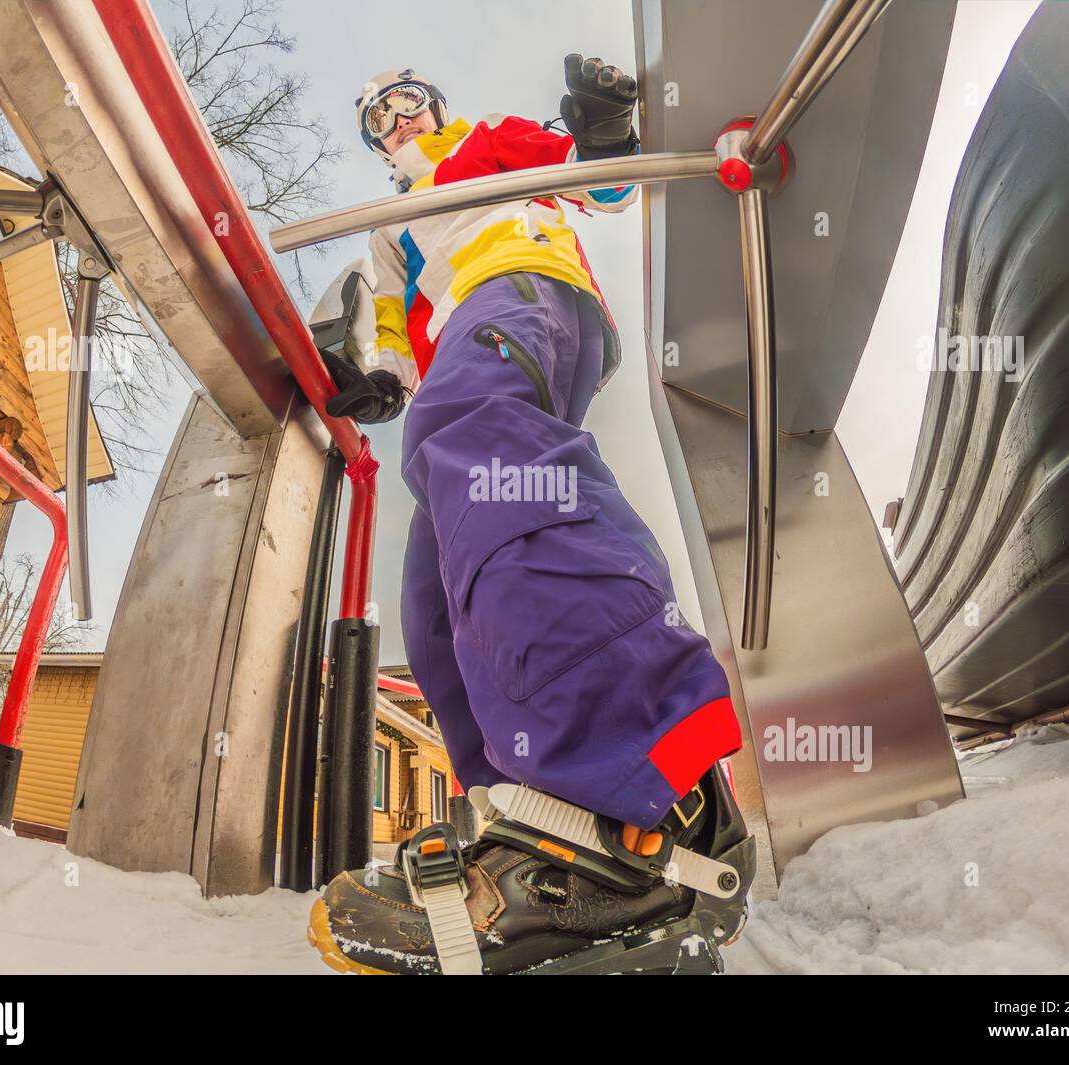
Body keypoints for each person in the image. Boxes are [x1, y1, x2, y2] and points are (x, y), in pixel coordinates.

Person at [311, 57, 754, 975]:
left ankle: (638, 805)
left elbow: (600, 182)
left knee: (486, 441)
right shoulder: (391, 231)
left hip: (526, 289)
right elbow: (395, 340)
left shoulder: (483, 141)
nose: (397, 119)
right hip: (462, 341)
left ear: (431, 104)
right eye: (377, 116)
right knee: (434, 604)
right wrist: (373, 380)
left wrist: (601, 129)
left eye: (406, 101)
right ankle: (535, 843)